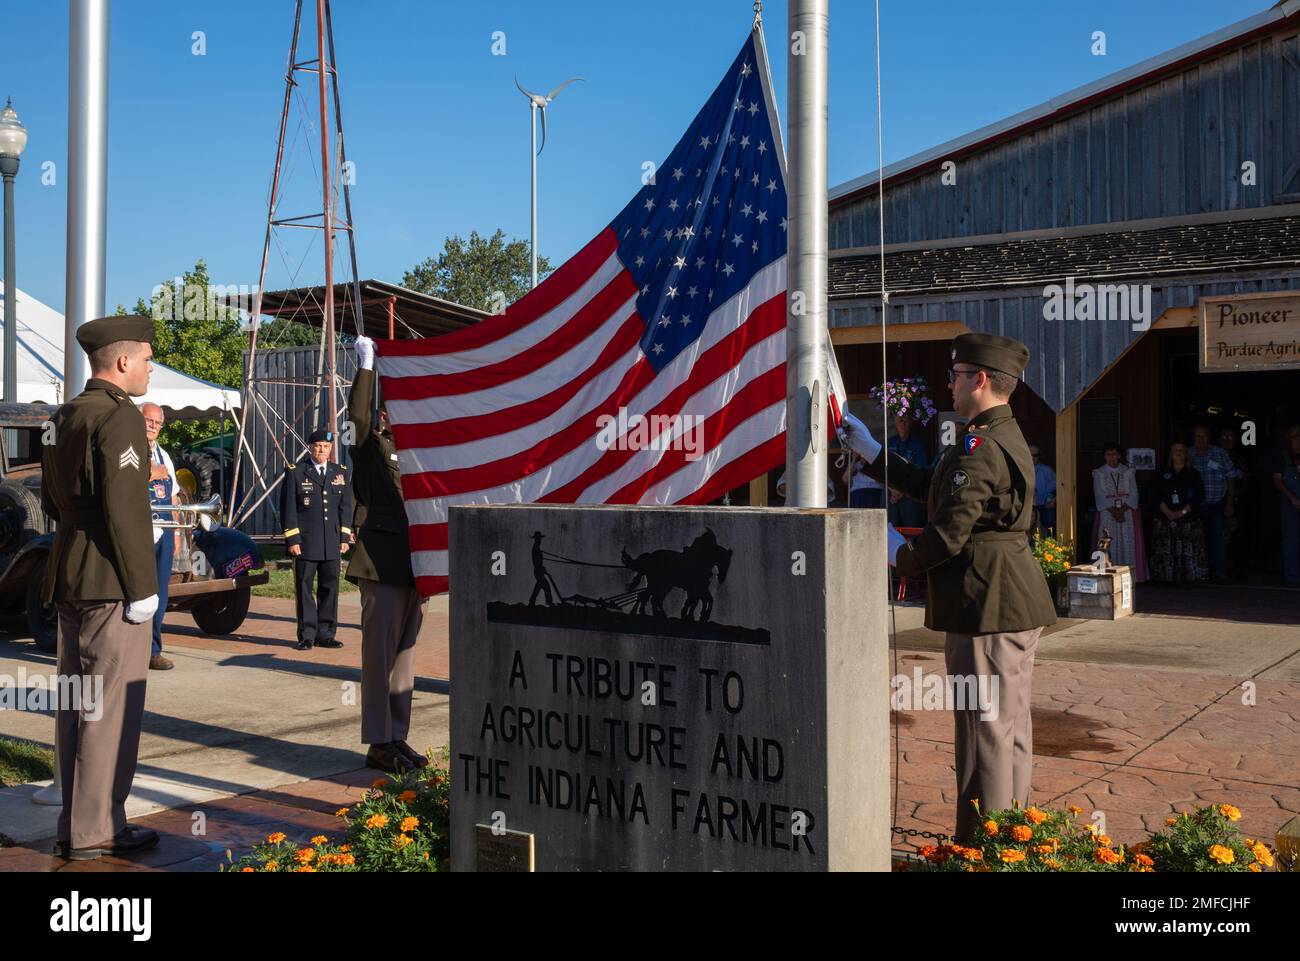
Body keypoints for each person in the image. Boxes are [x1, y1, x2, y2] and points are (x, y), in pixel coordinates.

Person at [841, 332, 1056, 842]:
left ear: (979, 380)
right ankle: (1011, 839)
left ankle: (983, 846)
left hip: (986, 603)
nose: (948, 384)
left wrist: (896, 553)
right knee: (1008, 730)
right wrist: (873, 451)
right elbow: (935, 484)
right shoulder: (992, 436)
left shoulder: (979, 445)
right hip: (1004, 598)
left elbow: (947, 535)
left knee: (986, 734)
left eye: (955, 375)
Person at [41, 316, 161, 861]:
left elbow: (49, 502)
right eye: (146, 357)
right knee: (109, 709)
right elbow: (125, 509)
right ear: (121, 363)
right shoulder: (121, 417)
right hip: (112, 579)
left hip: (69, 573)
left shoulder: (64, 416)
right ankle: (96, 830)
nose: (150, 367)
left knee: (77, 706)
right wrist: (143, 586)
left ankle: (78, 822)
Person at [348, 336, 428, 773]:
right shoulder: (373, 448)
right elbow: (356, 421)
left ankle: (398, 735)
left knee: (405, 660)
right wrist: (367, 368)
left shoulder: (421, 454)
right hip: (380, 564)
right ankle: (378, 742)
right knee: (379, 660)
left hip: (414, 567)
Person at [280, 428, 353, 651]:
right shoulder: (296, 471)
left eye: (326, 446)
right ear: (310, 447)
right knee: (304, 589)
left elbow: (345, 507)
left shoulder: (339, 472)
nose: (322, 450)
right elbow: (288, 509)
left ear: (331, 449)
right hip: (306, 543)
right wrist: (293, 540)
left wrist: (344, 536)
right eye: (318, 446)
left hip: (331, 541)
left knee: (330, 588)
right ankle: (307, 635)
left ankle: (326, 634)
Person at [140, 402, 179, 670]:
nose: (153, 426)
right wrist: (150, 473)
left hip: (163, 531)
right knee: (135, 594)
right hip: (138, 530)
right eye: (148, 420)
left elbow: (174, 496)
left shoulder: (165, 456)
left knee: (160, 595)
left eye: (158, 422)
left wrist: (176, 534)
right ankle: (131, 649)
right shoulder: (128, 450)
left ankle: (153, 650)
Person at [1149, 442, 1209, 583]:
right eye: (1176, 450)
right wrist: (1168, 512)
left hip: (1187, 519)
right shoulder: (1161, 473)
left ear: (1186, 453)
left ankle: (1189, 578)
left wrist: (1181, 512)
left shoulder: (1194, 474)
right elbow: (1154, 495)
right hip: (1164, 518)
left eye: (1182, 450)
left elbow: (1198, 496)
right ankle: (1165, 579)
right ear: (1171, 453)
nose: (1179, 452)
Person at [1090, 442, 1147, 581]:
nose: (1112, 457)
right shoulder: (1099, 473)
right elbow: (1099, 495)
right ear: (1104, 456)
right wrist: (1114, 511)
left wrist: (1122, 510)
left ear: (1119, 455)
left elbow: (1134, 493)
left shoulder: (1127, 471)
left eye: (1114, 454)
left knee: (1127, 541)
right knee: (1108, 540)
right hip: (1108, 513)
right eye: (1108, 454)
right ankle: (1107, 574)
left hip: (1126, 512)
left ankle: (1129, 575)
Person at [1188, 424, 1235, 582]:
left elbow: (1231, 477)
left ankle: (1219, 573)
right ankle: (1199, 572)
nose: (1201, 439)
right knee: (1197, 539)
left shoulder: (1220, 453)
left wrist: (1229, 502)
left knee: (1218, 539)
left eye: (1204, 436)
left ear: (1209, 437)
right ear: (1193, 438)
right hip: (1195, 506)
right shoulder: (1188, 454)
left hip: (1217, 504)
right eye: (1197, 436)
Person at [887, 412, 928, 529]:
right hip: (891, 495)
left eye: (906, 421)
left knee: (911, 532)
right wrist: (893, 489)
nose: (903, 424)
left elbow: (921, 470)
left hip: (910, 496)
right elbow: (881, 469)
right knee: (890, 533)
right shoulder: (889, 443)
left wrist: (902, 491)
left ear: (910, 423)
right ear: (895, 422)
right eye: (900, 421)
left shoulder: (918, 445)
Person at [1218, 427, 1248, 579]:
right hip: (1216, 501)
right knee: (1219, 535)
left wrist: (1232, 498)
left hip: (1236, 502)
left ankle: (1238, 569)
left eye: (1230, 436)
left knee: (1237, 535)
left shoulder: (1239, 459)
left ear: (1236, 440)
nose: (1227, 439)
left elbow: (1245, 482)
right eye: (1224, 436)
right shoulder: (1214, 455)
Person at [1273, 424, 1300, 587]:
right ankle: (1292, 577)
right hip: (1290, 504)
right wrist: (1292, 498)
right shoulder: (1282, 457)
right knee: (1291, 541)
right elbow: (1277, 480)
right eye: (1295, 437)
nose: (1298, 441)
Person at [1029, 444, 1057, 536]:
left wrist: (1054, 500)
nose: (1032, 458)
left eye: (1035, 455)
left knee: (1050, 532)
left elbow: (1060, 487)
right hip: (1029, 507)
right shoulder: (1022, 470)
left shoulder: (1046, 470)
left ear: (1039, 456)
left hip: (1045, 507)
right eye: (1030, 455)